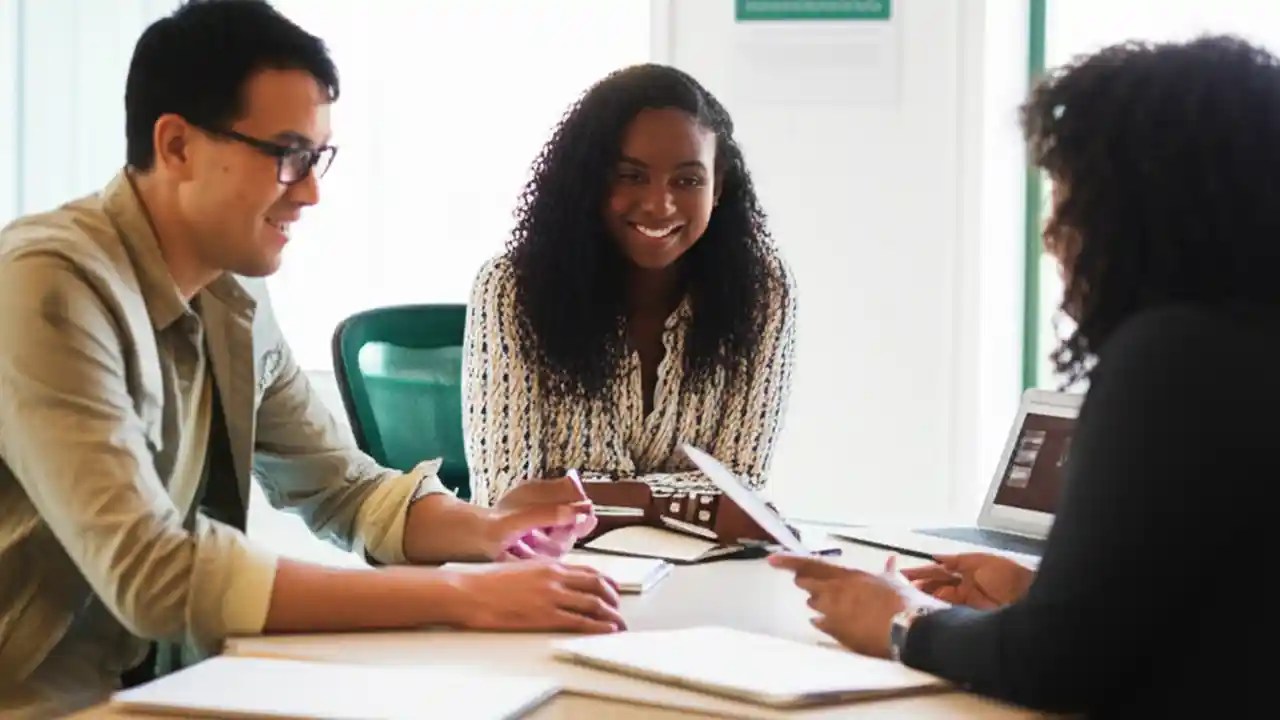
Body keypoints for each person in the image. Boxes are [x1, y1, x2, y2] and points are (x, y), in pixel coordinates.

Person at [0, 2, 620, 716]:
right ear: (176, 146)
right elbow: (155, 575)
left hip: (181, 686)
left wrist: (482, 534)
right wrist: (463, 595)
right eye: (287, 155)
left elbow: (340, 486)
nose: (313, 191)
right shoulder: (48, 283)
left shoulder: (232, 288)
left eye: (318, 156)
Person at [770, 34, 1275, 717]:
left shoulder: (1175, 357)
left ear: (1141, 209)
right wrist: (1045, 595)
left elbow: (1056, 666)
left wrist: (900, 620)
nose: (1052, 233)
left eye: (1069, 195)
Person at [462, 63, 796, 507]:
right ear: (589, 180)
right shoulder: (510, 289)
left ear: (718, 189)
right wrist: (678, 499)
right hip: (550, 570)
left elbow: (741, 491)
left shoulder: (763, 292)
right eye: (631, 175)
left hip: (699, 571)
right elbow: (506, 500)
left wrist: (584, 493)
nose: (660, 204)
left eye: (688, 180)